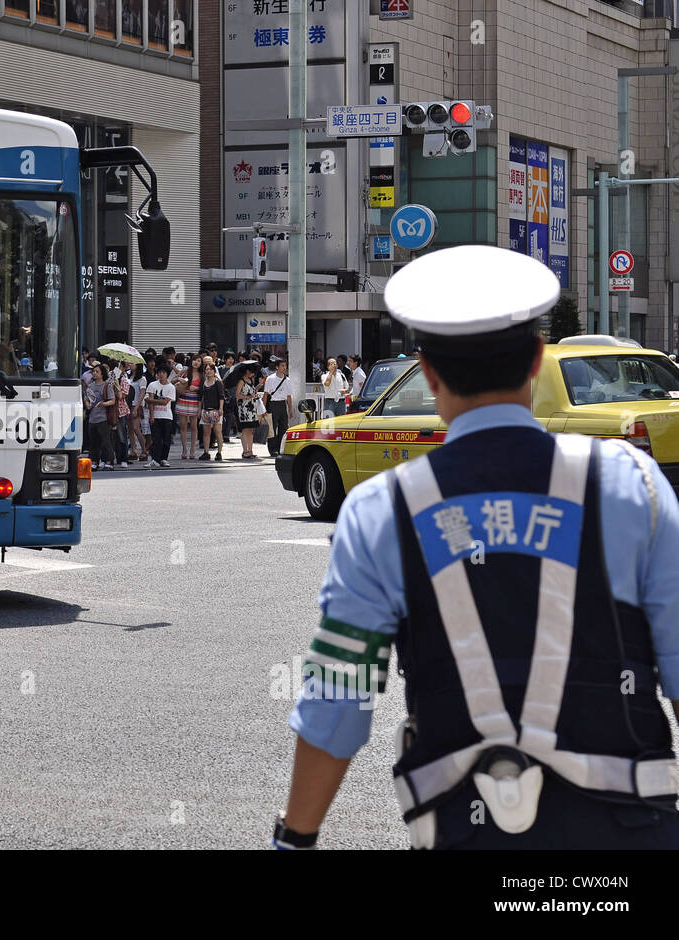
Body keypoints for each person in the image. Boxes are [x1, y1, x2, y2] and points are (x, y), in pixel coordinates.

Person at [275, 244, 679, 851]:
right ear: (539, 360)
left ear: (428, 372)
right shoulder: (633, 486)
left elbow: (337, 700)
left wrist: (295, 839)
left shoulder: (382, 511)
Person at [84, 363, 116, 469]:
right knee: (93, 442)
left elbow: (112, 400)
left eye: (97, 371)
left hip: (103, 418)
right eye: (93, 371)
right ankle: (94, 461)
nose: (94, 373)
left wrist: (103, 403)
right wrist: (88, 404)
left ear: (102, 374)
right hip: (92, 418)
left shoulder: (107, 385)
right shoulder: (90, 386)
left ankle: (108, 461)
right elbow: (86, 398)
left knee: (105, 441)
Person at [146, 362, 177, 468]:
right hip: (155, 415)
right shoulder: (152, 385)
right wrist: (151, 415)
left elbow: (165, 402)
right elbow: (149, 403)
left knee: (166, 439)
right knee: (156, 439)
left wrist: (152, 400)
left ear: (167, 374)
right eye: (159, 372)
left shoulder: (171, 387)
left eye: (163, 372)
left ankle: (164, 459)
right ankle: (155, 459)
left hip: (167, 416)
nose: (161, 375)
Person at [263, 359, 295, 457]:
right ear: (277, 367)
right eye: (282, 366)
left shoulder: (287, 380)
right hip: (273, 404)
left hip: (282, 404)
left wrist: (290, 409)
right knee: (272, 428)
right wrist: (263, 409)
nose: (284, 368)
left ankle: (281, 448)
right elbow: (265, 395)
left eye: (285, 366)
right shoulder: (270, 378)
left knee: (283, 427)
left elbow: (289, 396)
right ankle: (273, 449)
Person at [174, 354, 202, 460]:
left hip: (195, 400)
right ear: (191, 361)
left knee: (194, 427)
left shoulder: (202, 374)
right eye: (195, 360)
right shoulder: (185, 371)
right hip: (183, 399)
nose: (196, 362)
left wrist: (196, 388)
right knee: (183, 426)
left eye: (199, 361)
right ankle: (184, 449)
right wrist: (179, 380)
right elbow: (173, 380)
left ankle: (193, 450)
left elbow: (204, 388)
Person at [235, 362, 263, 460]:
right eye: (252, 372)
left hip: (252, 407)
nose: (253, 374)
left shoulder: (251, 380)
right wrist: (247, 397)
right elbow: (237, 395)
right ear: (247, 371)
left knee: (251, 429)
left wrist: (256, 391)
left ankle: (250, 450)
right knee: (245, 429)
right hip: (244, 408)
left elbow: (252, 391)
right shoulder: (241, 381)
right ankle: (245, 451)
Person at [127, 361, 149, 462]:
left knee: (136, 428)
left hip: (136, 404)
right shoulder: (127, 376)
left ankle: (144, 450)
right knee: (130, 429)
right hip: (127, 405)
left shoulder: (142, 379)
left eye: (133, 363)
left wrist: (136, 407)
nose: (131, 364)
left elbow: (142, 394)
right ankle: (133, 450)